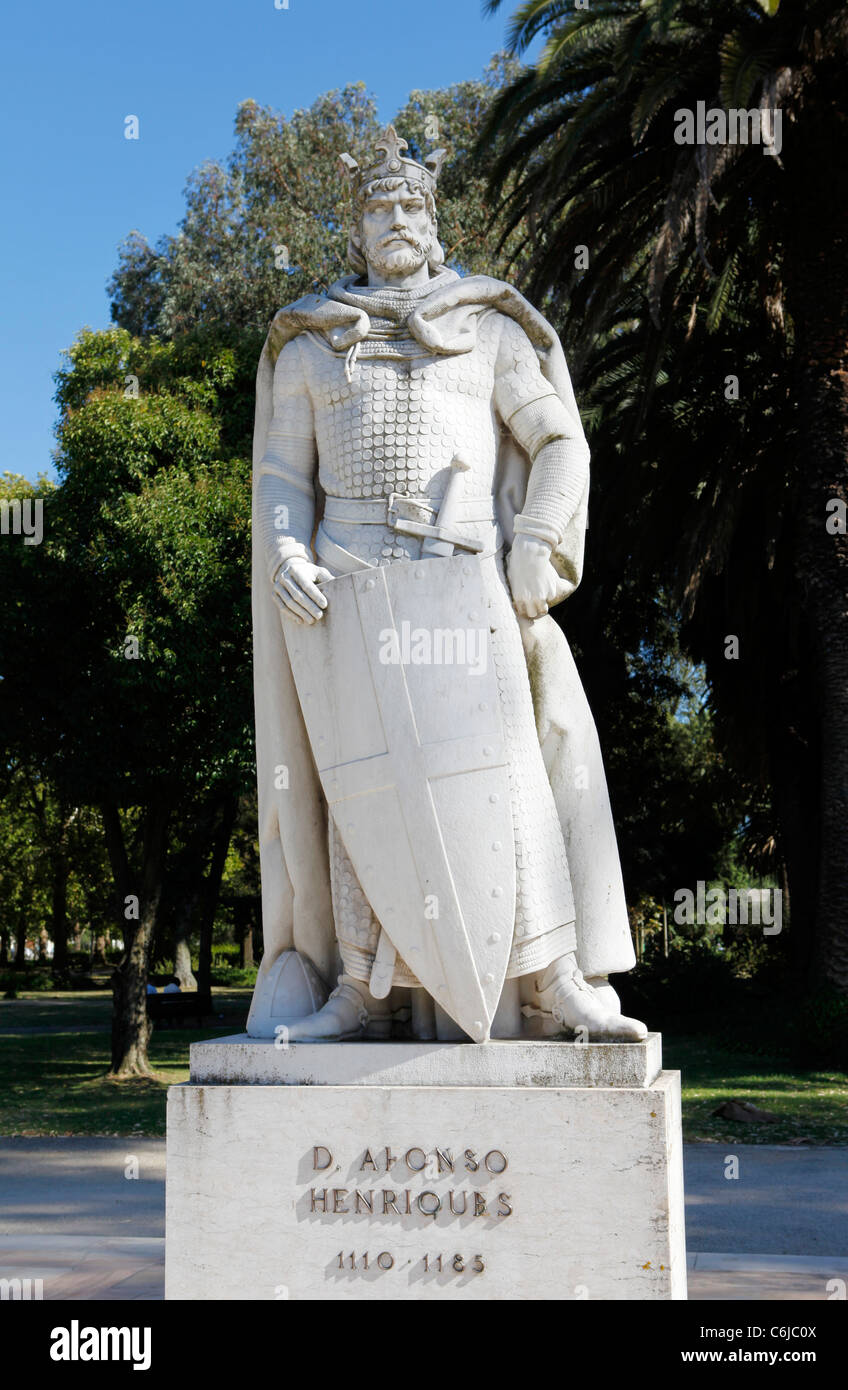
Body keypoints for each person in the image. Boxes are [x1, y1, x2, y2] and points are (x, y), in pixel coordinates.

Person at [246, 127, 646, 1044]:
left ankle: (551, 980)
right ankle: (359, 990)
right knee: (359, 787)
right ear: (357, 229)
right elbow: (281, 476)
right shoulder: (312, 343)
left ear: (434, 222)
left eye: (409, 206)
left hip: (466, 581)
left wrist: (536, 543)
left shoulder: (489, 328)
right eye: (377, 208)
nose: (395, 220)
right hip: (347, 585)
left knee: (509, 777)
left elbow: (557, 443)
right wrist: (284, 549)